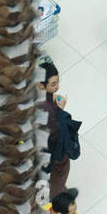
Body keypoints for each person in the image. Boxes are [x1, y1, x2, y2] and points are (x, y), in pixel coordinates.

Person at [38, 61, 80, 200]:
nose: (58, 87)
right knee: (60, 172)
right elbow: (58, 131)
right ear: (41, 85)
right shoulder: (48, 110)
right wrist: (60, 109)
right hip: (53, 149)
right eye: (53, 84)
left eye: (58, 82)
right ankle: (58, 198)